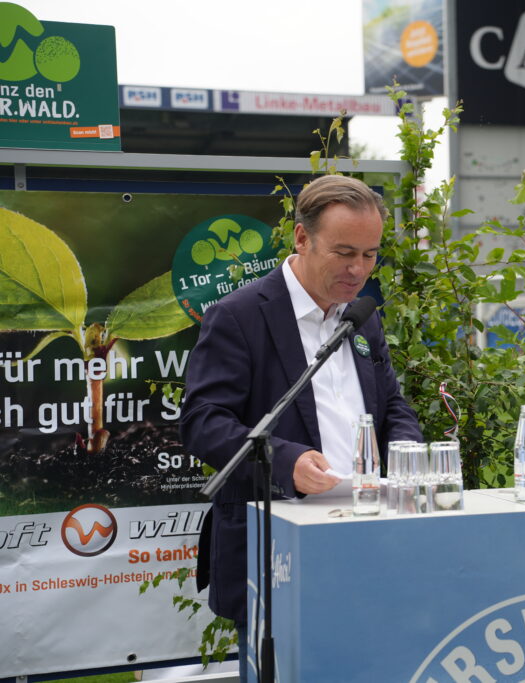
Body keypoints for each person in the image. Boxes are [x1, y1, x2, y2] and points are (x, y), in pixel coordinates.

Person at [180, 175, 422, 672]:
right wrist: (286, 462)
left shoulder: (363, 317)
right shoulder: (239, 315)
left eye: (370, 254)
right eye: (344, 253)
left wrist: (406, 456)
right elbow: (204, 422)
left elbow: (391, 406)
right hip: (279, 548)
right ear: (302, 238)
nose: (359, 269)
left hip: (367, 536)